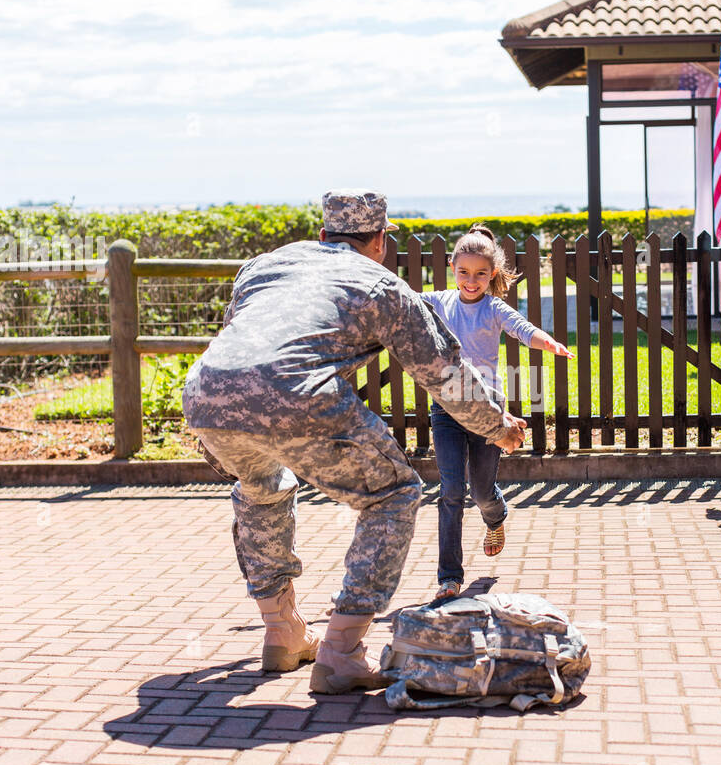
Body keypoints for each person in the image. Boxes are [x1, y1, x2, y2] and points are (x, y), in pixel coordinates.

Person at [183, 190, 526, 694]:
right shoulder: (383, 285)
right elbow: (444, 375)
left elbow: (244, 336)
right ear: (381, 242)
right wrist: (497, 426)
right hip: (296, 392)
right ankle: (341, 652)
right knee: (393, 495)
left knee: (262, 486)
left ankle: (282, 633)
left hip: (208, 394)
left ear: (323, 236)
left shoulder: (265, 265)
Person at [421, 225, 574, 600]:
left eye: (480, 274)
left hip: (490, 414)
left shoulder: (493, 308)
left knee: (481, 491)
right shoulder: (439, 301)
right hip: (446, 410)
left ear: (492, 274)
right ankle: (449, 578)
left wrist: (548, 343)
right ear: (452, 268)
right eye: (464, 272)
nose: (471, 281)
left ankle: (496, 516)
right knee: (451, 491)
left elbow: (522, 329)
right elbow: (399, 302)